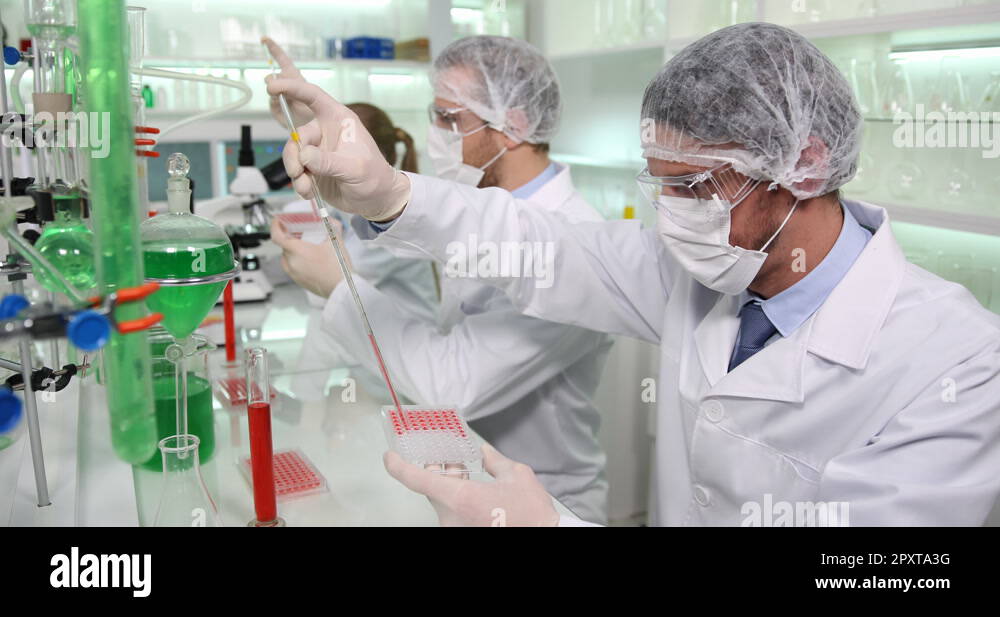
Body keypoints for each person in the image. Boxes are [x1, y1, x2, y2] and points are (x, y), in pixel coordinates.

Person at [267, 23, 1000, 527]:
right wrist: (390, 193)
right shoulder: (700, 269)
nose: (674, 214)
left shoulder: (959, 362)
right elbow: (545, 248)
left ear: (802, 165)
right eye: (662, 186)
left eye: (697, 187)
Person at [265, 36, 614, 523]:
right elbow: (412, 227)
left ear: (512, 124)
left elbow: (452, 382)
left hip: (545, 499)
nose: (436, 135)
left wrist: (339, 288)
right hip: (466, 473)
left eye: (450, 119)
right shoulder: (482, 198)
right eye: (435, 114)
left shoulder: (577, 244)